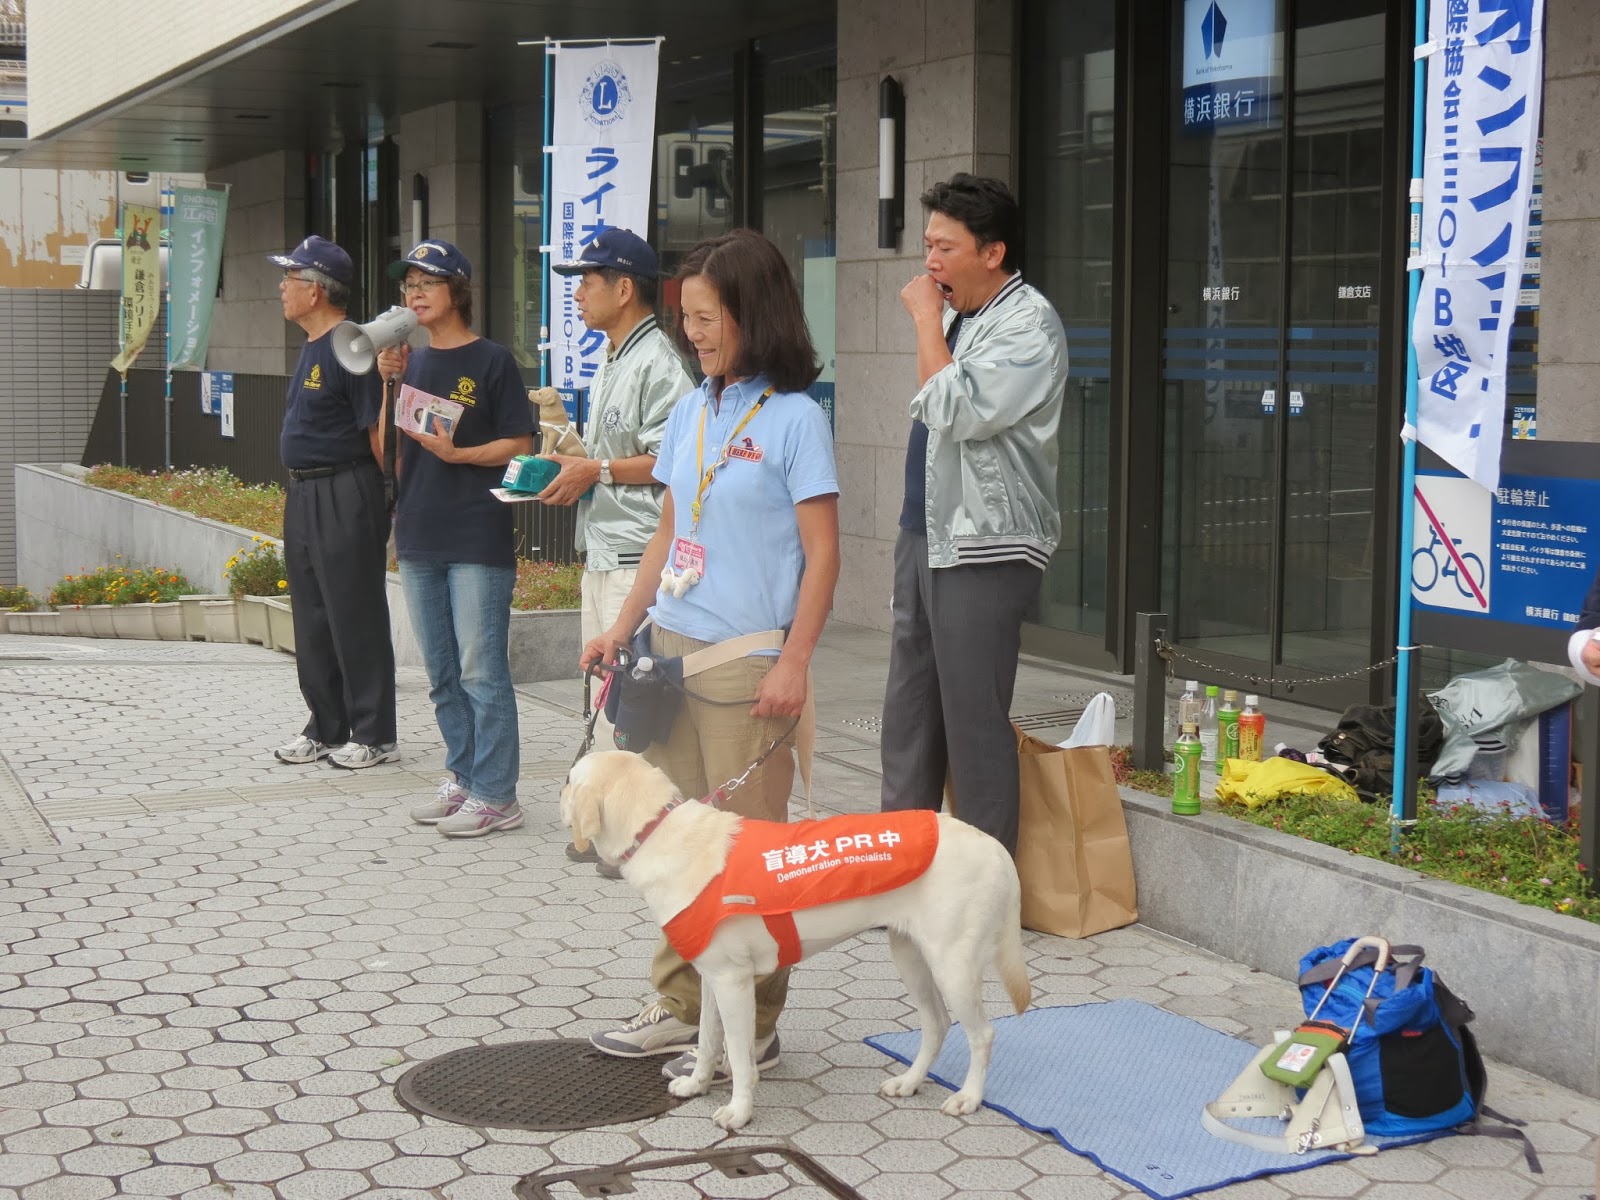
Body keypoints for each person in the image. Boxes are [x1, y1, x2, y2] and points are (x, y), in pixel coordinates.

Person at [580, 227, 840, 1081]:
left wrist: (797, 661)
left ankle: (757, 1023)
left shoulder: (798, 419)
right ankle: (681, 1003)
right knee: (673, 847)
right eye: (686, 317)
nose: (693, 333)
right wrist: (623, 625)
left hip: (748, 664)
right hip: (669, 653)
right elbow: (668, 529)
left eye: (706, 316)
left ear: (752, 313)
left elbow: (825, 551)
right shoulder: (694, 408)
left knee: (752, 855)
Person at [879, 173, 1068, 857]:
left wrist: (927, 321)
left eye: (945, 247)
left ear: (993, 253)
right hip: (925, 532)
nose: (930, 263)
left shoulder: (1029, 324)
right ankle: (896, 867)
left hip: (988, 543)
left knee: (971, 721)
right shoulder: (966, 314)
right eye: (927, 245)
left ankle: (986, 889)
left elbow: (952, 406)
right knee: (909, 709)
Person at [542, 228, 695, 874]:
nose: (577, 294)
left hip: (639, 556)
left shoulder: (660, 361)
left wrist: (596, 470)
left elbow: (672, 460)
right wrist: (571, 458)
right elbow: (616, 455)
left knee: (635, 702)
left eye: (589, 280)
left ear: (625, 288)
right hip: (605, 549)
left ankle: (638, 832)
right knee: (607, 695)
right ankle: (608, 827)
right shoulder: (614, 355)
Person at [375, 240, 536, 837]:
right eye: (407, 285)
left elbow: (522, 444)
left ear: (457, 293)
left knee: (480, 669)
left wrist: (460, 453)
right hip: (418, 530)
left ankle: (499, 794)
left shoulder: (492, 360)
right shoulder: (406, 362)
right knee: (442, 671)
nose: (412, 295)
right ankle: (465, 777)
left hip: (476, 530)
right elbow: (384, 454)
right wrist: (387, 384)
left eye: (426, 284)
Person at [267, 235, 399, 771]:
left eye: (290, 278)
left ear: (316, 291)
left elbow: (377, 435)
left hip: (346, 490)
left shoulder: (353, 348)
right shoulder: (311, 346)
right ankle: (325, 725)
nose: (281, 287)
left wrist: (391, 495)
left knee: (354, 613)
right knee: (312, 615)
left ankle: (374, 733)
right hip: (303, 492)